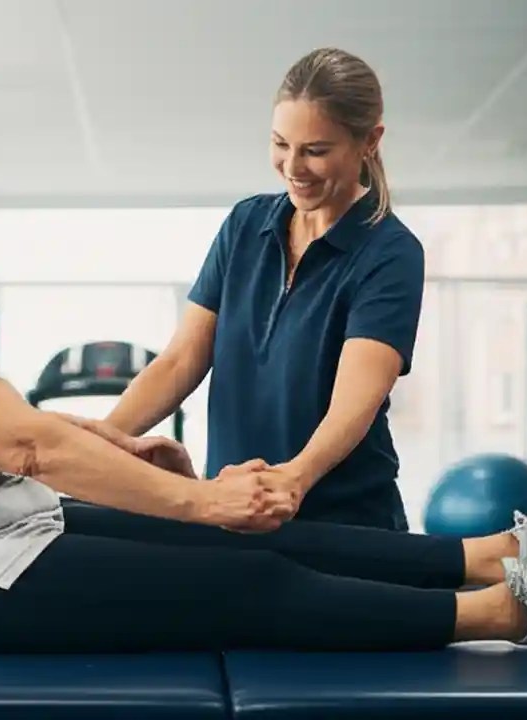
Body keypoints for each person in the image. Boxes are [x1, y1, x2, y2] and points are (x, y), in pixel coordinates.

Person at [0, 83, 527, 656]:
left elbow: (11, 434)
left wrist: (120, 450)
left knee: (258, 546)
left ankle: (492, 552)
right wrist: (197, 502)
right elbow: (28, 448)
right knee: (250, 579)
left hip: (2, 537)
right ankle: (508, 613)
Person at [96, 48, 427, 531]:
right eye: (280, 144)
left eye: (316, 150)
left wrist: (293, 479)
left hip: (343, 519)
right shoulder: (246, 225)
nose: (293, 166)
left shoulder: (391, 253)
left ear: (369, 142)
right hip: (236, 513)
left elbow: (354, 405)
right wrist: (97, 445)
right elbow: (180, 360)